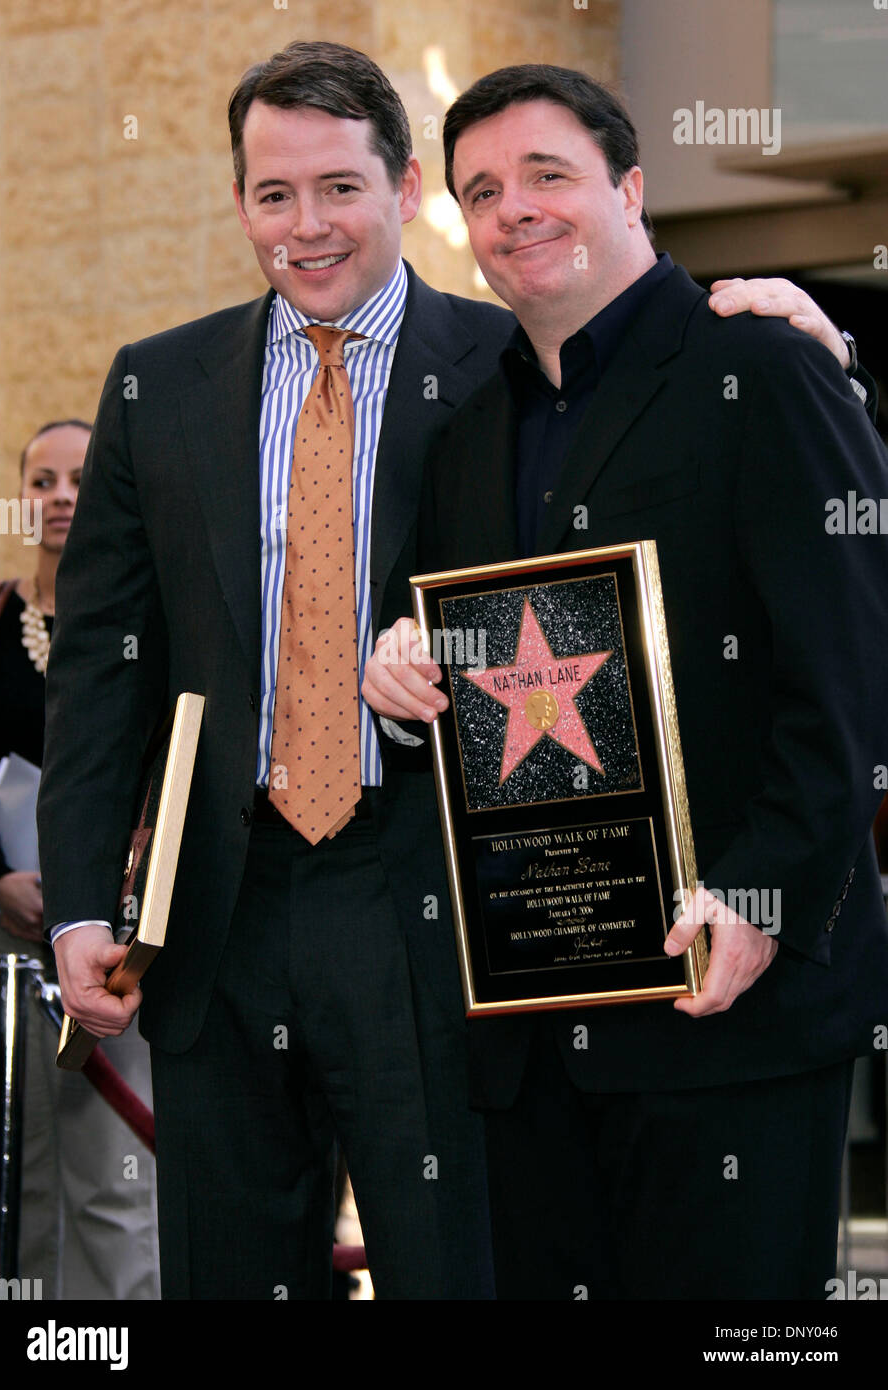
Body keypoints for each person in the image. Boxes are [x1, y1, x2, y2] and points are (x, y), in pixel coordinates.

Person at [36, 42, 859, 1302]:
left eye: (339, 188)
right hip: (220, 912)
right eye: (271, 193)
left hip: (443, 912)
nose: (304, 225)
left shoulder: (506, 355)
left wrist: (819, 341)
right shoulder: (161, 384)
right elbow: (102, 666)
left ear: (400, 185)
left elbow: (780, 549)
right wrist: (88, 895)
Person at [362, 63, 888, 1300]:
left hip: (728, 1010)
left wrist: (758, 901)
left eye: (547, 174)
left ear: (630, 187)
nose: (514, 210)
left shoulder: (759, 367)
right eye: (483, 190)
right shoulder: (463, 435)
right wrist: (402, 668)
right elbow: (462, 674)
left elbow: (850, 673)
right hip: (532, 1025)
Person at [0, 420, 159, 1299]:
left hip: (114, 940)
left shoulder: (149, 615)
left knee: (115, 1172)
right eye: (42, 481)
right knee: (4, 1163)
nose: (60, 498)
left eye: (81, 479)